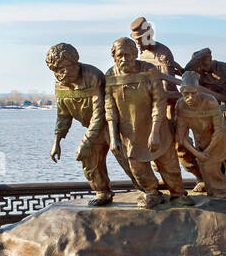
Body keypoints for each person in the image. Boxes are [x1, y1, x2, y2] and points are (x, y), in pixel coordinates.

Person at [104, 37, 191, 209]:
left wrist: (155, 132)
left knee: (168, 164)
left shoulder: (149, 71)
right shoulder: (111, 76)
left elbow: (159, 101)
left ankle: (178, 193)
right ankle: (152, 193)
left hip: (156, 127)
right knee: (138, 168)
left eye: (128, 55)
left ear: (135, 54)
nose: (124, 59)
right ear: (114, 57)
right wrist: (114, 137)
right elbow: (110, 109)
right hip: (130, 133)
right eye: (120, 55)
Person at [45, 42, 114, 205]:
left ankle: (148, 191)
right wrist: (57, 141)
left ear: (74, 63)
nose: (59, 75)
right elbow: (63, 114)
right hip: (93, 128)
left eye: (62, 69)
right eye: (55, 71)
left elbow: (99, 113)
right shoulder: (60, 83)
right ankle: (102, 192)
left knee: (127, 157)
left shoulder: (92, 76)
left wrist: (85, 141)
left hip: (112, 124)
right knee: (89, 158)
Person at [175, 73, 226, 199]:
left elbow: (219, 130)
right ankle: (220, 201)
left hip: (223, 139)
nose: (190, 97)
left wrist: (208, 151)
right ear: (181, 92)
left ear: (198, 90)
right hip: (203, 143)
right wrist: (198, 154)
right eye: (186, 94)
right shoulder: (180, 106)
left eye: (194, 93)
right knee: (212, 177)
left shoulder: (210, 101)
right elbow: (181, 137)